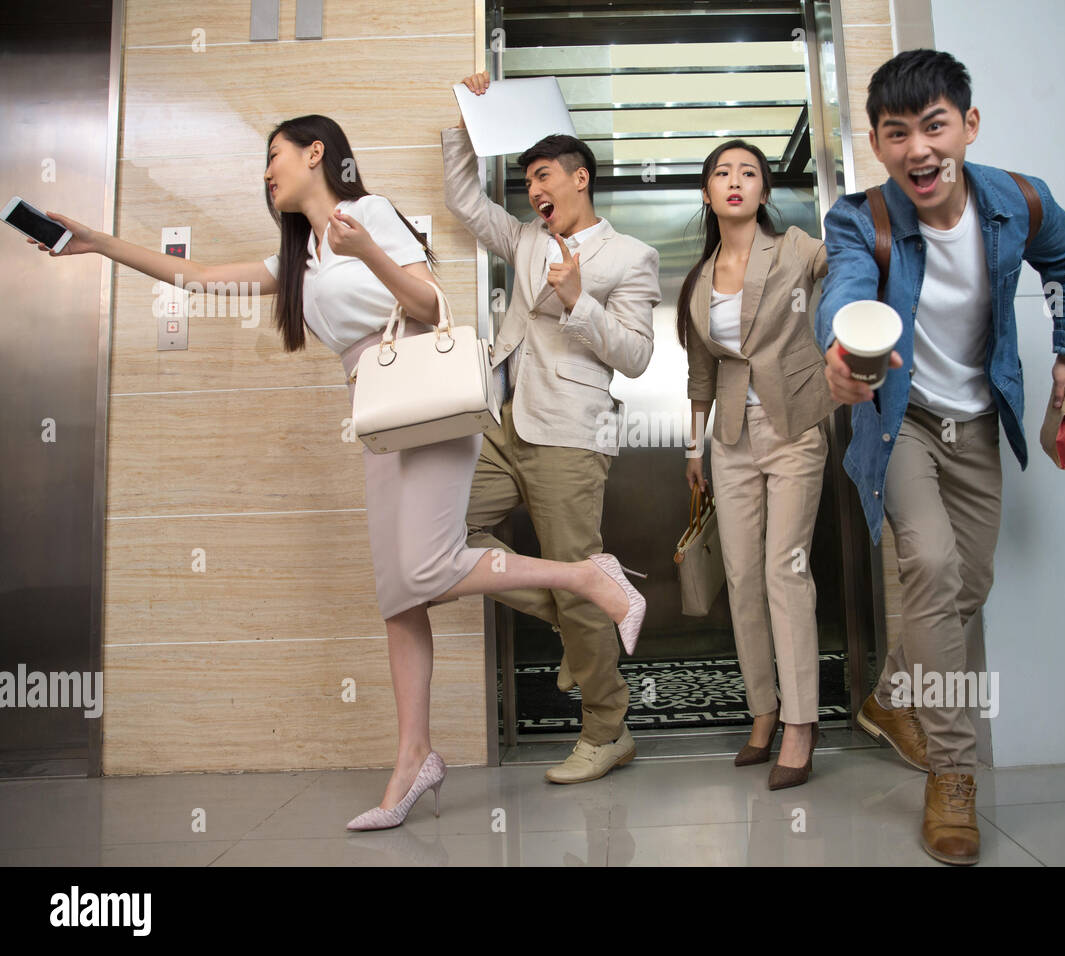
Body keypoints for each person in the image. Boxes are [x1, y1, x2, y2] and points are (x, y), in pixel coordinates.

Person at [27, 113, 646, 830]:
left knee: (431, 566)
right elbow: (194, 277)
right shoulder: (301, 258)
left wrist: (370, 253)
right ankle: (415, 758)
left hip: (429, 408)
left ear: (316, 153)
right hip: (380, 422)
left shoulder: (367, 215)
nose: (266, 172)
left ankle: (586, 576)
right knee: (398, 596)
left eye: (274, 157)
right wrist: (99, 244)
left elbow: (428, 304)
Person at [815, 50, 1065, 864]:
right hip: (900, 418)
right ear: (877, 143)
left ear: (969, 126)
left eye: (934, 125)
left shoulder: (1020, 202)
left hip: (977, 422)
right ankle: (952, 772)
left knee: (971, 583)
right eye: (896, 134)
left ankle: (893, 694)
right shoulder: (859, 217)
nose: (918, 150)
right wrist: (842, 348)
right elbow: (846, 288)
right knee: (934, 570)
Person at [445, 74, 661, 784]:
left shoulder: (628, 257)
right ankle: (575, 615)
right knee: (441, 539)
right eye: (529, 178)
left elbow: (635, 356)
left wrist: (579, 304)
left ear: (579, 178)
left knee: (580, 576)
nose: (534, 189)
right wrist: (468, 117)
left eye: (545, 175)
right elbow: (465, 200)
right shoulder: (528, 239)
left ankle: (608, 732)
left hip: (574, 431)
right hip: (506, 424)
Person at [678, 140, 835, 790]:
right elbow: (702, 370)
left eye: (748, 173)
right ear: (709, 193)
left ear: (764, 192)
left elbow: (850, 277)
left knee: (783, 571)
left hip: (795, 424)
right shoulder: (700, 277)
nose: (735, 181)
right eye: (722, 173)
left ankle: (802, 723)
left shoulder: (797, 249)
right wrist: (695, 445)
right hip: (731, 437)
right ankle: (764, 711)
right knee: (742, 577)